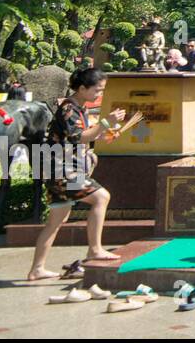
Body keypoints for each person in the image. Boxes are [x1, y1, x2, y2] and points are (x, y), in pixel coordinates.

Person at [27, 67, 125, 280]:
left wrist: (104, 135)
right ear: (82, 88)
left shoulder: (79, 108)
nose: (100, 94)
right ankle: (95, 249)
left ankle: (37, 269)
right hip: (63, 171)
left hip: (61, 169)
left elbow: (80, 137)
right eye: (97, 90)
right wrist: (106, 122)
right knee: (101, 197)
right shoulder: (69, 109)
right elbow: (78, 137)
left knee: (56, 220)